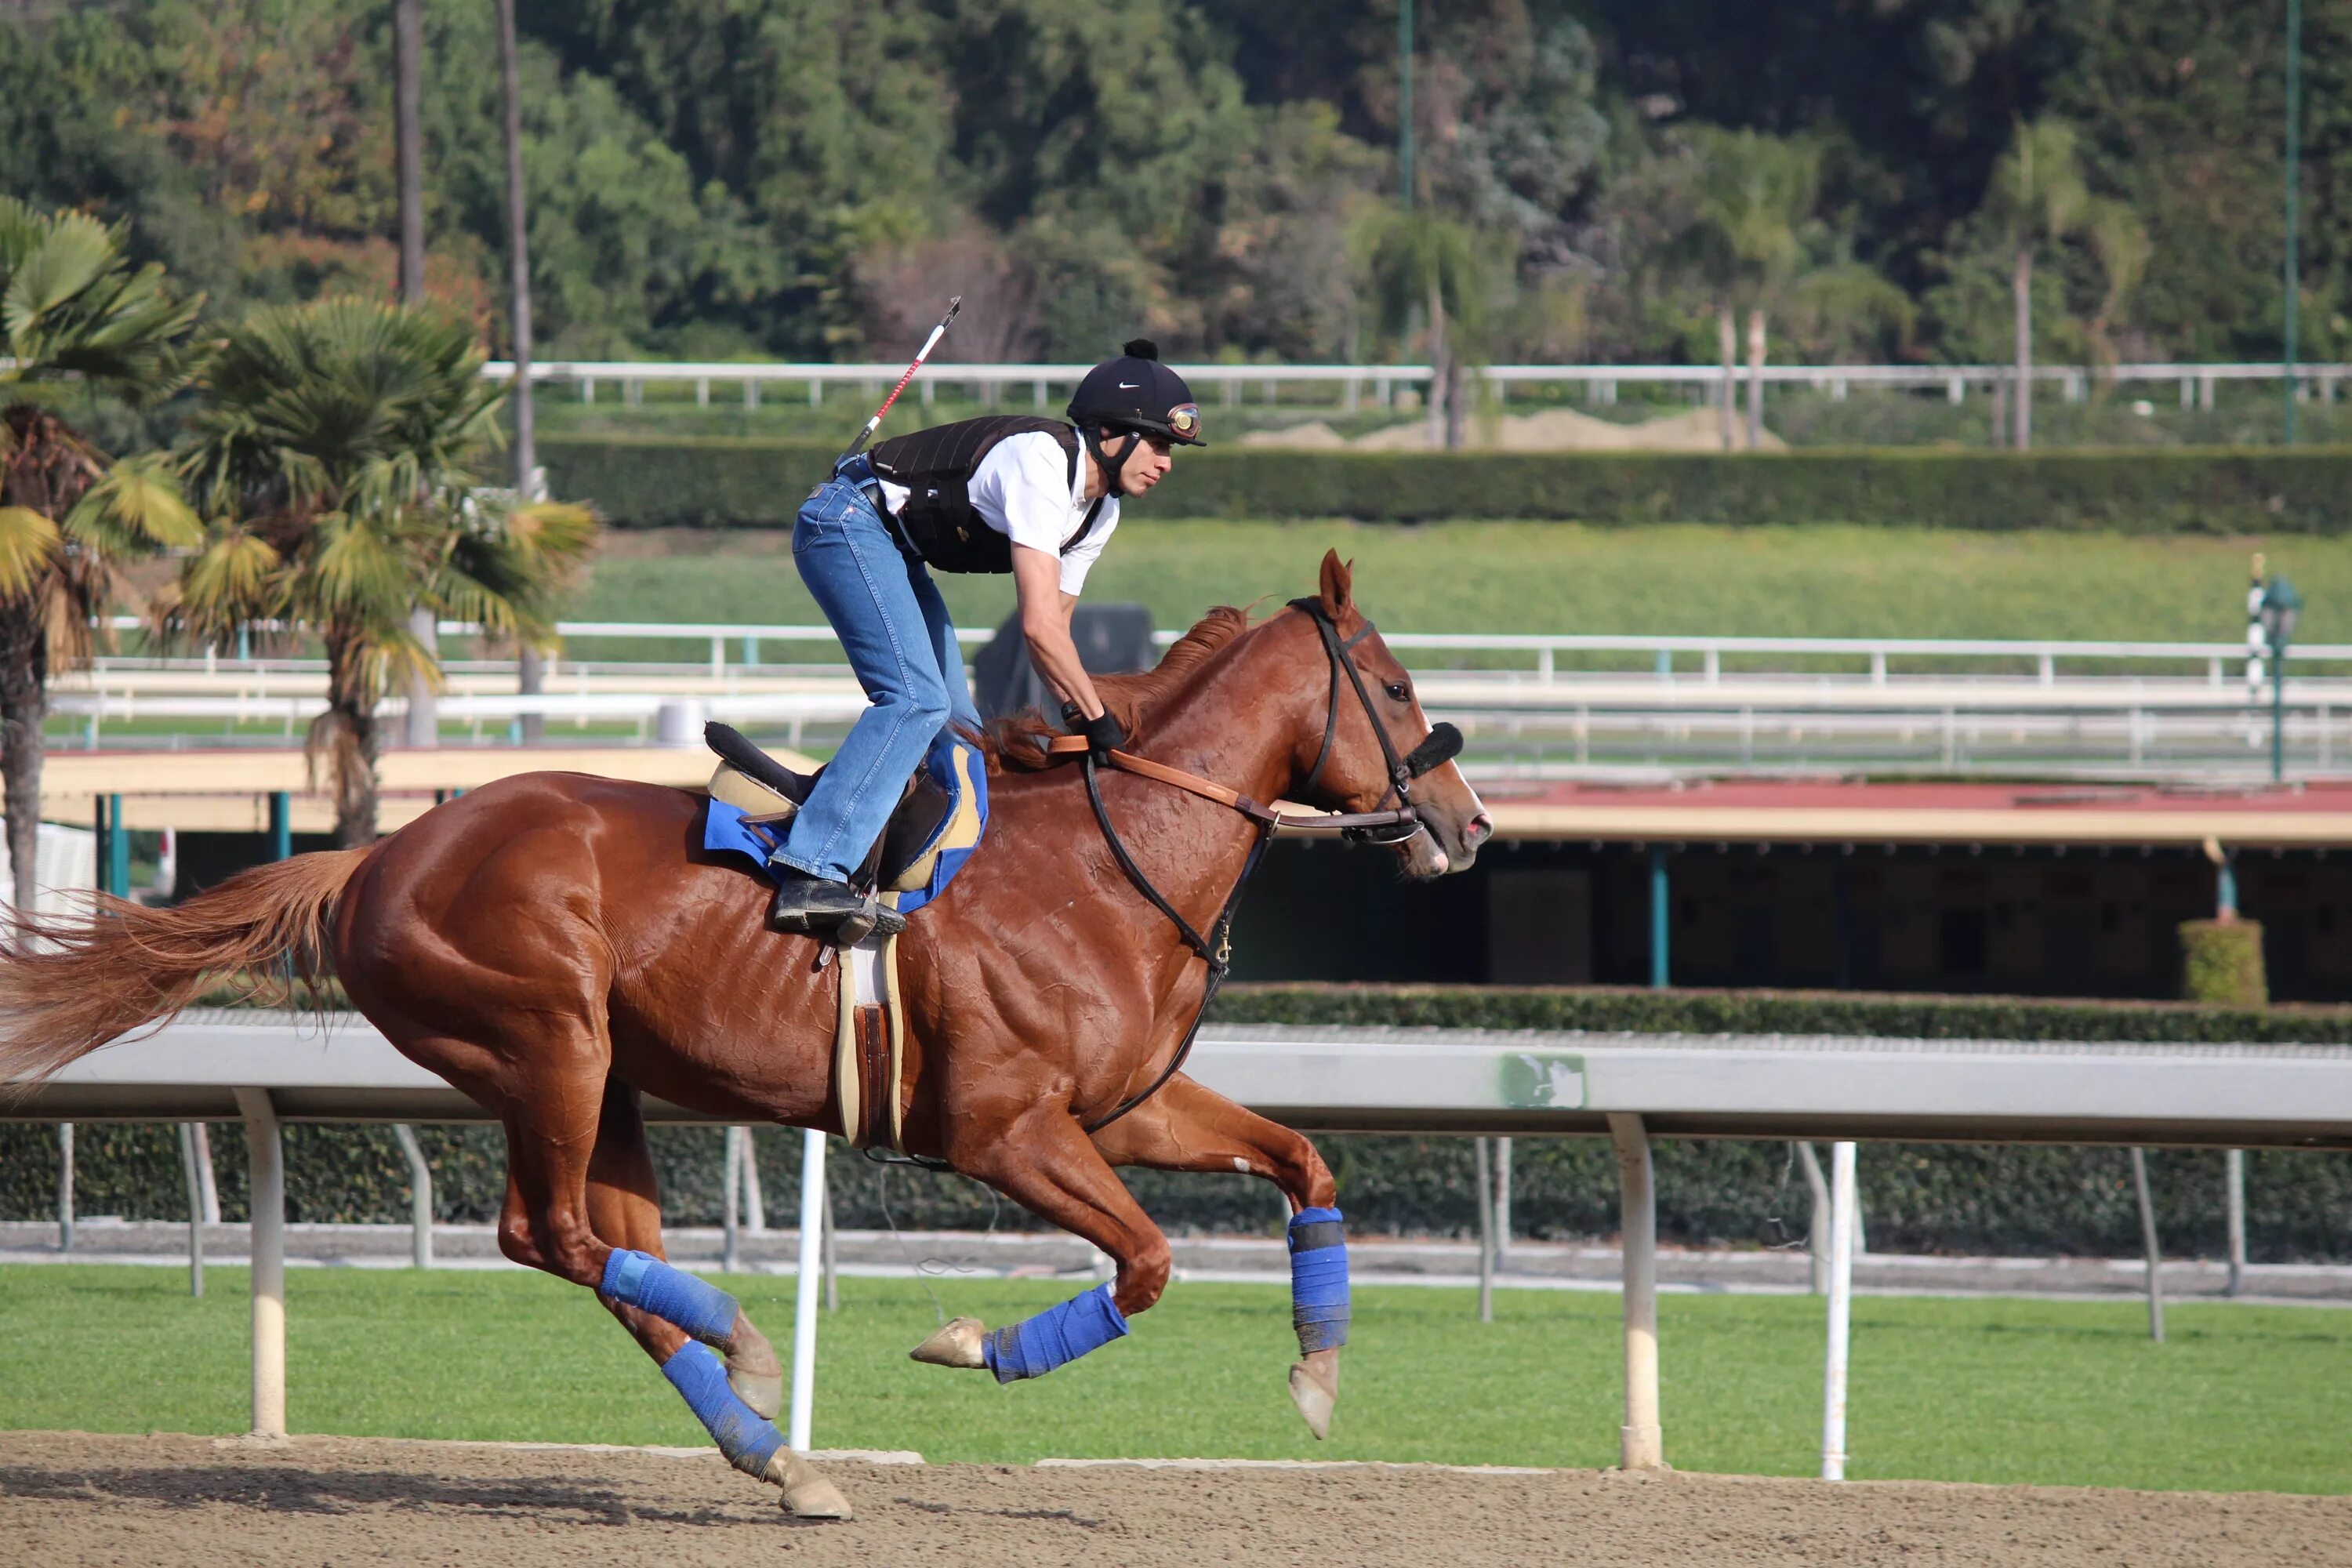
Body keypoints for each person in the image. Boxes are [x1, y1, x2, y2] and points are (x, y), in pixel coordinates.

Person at [766, 339, 1205, 938]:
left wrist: (1082, 717)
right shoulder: (1041, 465)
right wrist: (1101, 720)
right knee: (917, 700)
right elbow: (1038, 628)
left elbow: (1056, 632)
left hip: (894, 550)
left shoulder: (1099, 513)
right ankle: (811, 868)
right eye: (1158, 443)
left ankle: (921, 881)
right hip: (844, 521)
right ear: (1110, 433)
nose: (1167, 462)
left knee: (963, 735)